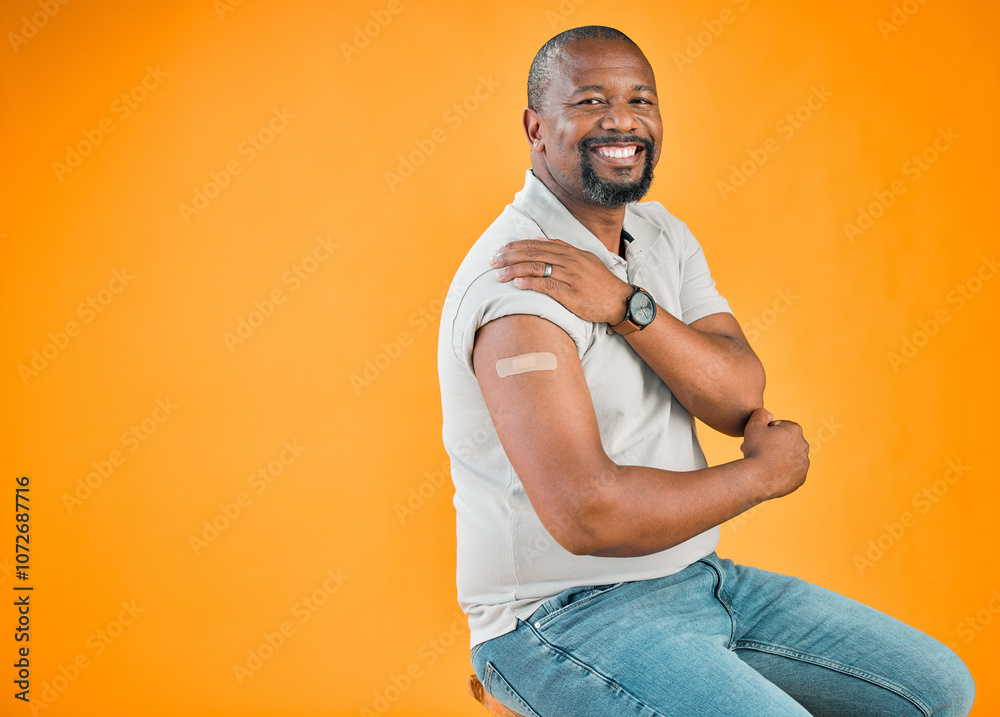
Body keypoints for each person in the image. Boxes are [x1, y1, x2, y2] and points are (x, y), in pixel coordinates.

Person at [436, 25, 975, 716]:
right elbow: (586, 512)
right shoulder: (517, 282)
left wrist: (627, 306)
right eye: (592, 100)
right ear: (536, 127)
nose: (622, 120)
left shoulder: (660, 235)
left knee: (933, 690)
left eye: (640, 100)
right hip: (556, 617)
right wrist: (759, 477)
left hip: (696, 580)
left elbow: (737, 392)